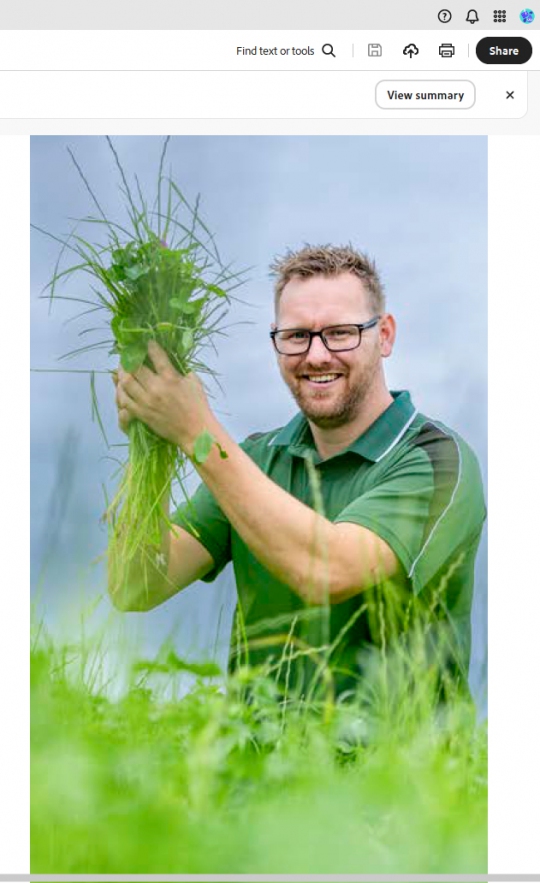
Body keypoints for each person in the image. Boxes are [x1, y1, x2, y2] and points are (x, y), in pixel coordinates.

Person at [110, 245, 486, 699]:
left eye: (341, 333)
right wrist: (151, 442)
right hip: (259, 764)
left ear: (384, 336)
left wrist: (195, 431)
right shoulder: (252, 461)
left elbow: (328, 571)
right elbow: (135, 586)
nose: (317, 355)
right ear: (275, 338)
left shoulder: (436, 460)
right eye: (296, 336)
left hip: (397, 768)